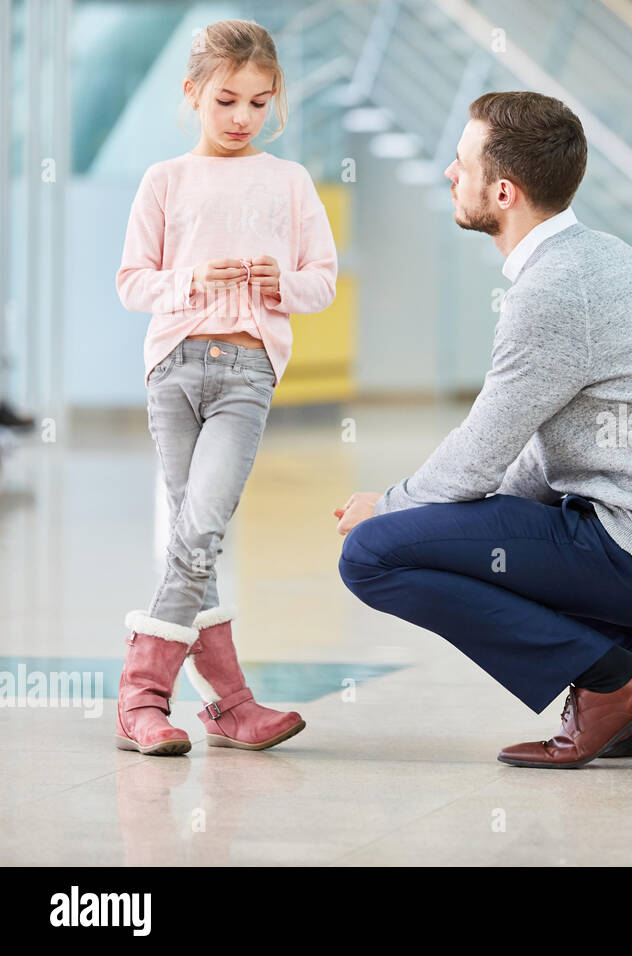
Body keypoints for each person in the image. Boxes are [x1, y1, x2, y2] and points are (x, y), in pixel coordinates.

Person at [336, 91, 632, 769]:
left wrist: (386, 506)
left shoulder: (553, 289)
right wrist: (461, 528)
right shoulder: (595, 257)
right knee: (469, 533)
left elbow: (478, 455)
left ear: (502, 192)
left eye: (461, 163)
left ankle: (613, 684)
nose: (449, 173)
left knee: (374, 555)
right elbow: (534, 453)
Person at [114, 19, 337, 756]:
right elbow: (131, 284)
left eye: (260, 102)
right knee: (194, 536)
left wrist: (285, 285)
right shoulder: (164, 181)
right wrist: (186, 283)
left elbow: (322, 283)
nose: (244, 118)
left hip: (248, 374)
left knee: (201, 527)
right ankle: (231, 708)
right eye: (226, 101)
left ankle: (141, 696)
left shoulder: (290, 181)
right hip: (173, 369)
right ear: (193, 95)